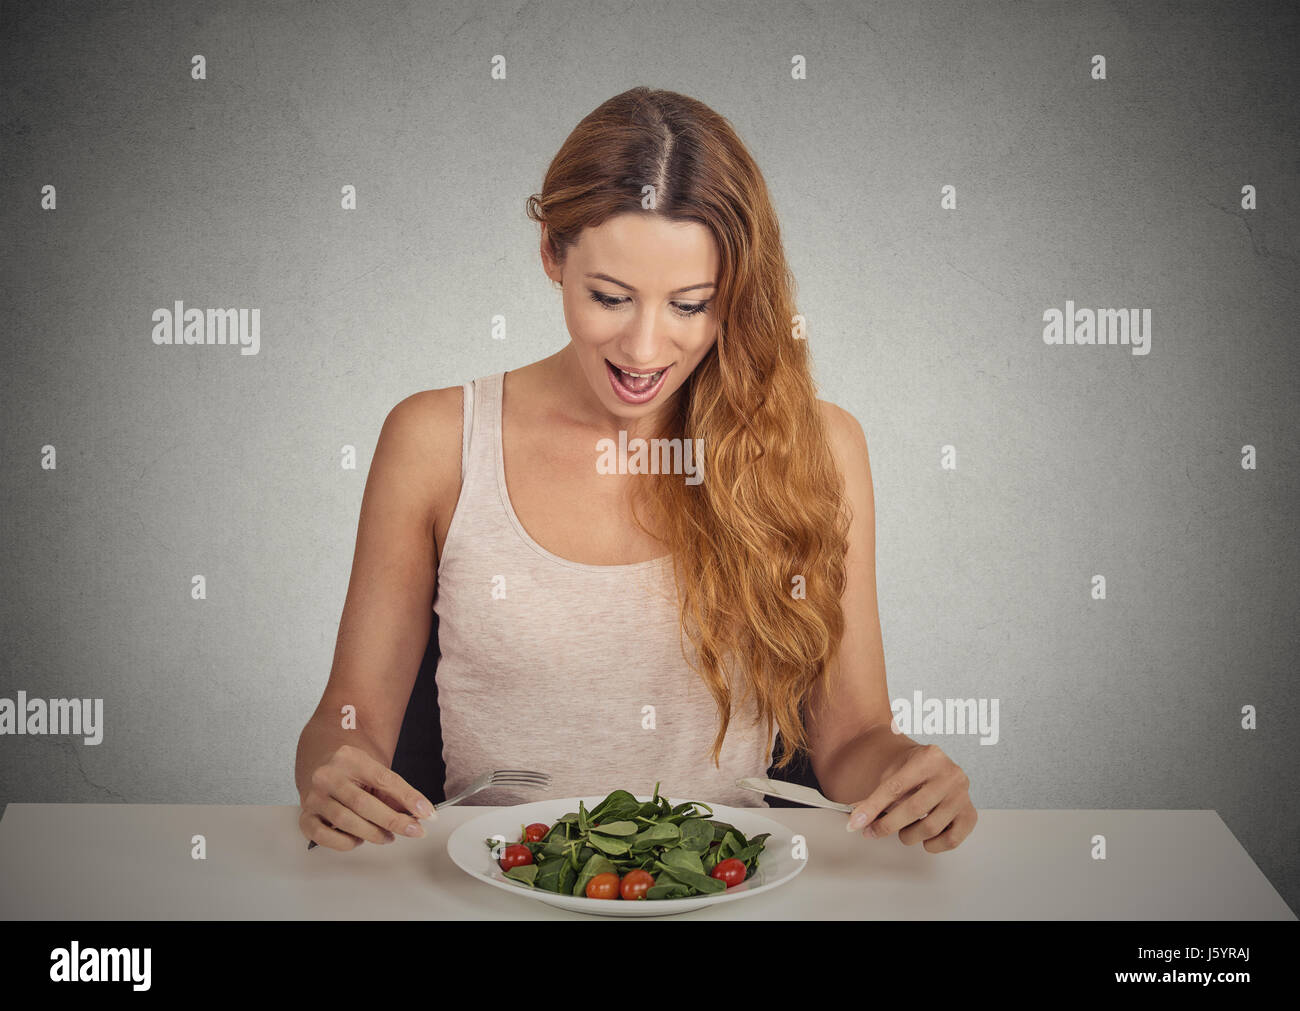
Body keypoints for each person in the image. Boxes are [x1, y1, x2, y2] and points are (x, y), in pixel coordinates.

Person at [295, 86, 977, 854]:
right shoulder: (434, 441)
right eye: (611, 297)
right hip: (491, 888)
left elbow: (853, 738)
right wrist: (332, 772)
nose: (647, 350)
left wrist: (909, 773)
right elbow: (349, 716)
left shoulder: (819, 447)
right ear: (552, 252)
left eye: (691, 305)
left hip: (725, 890)